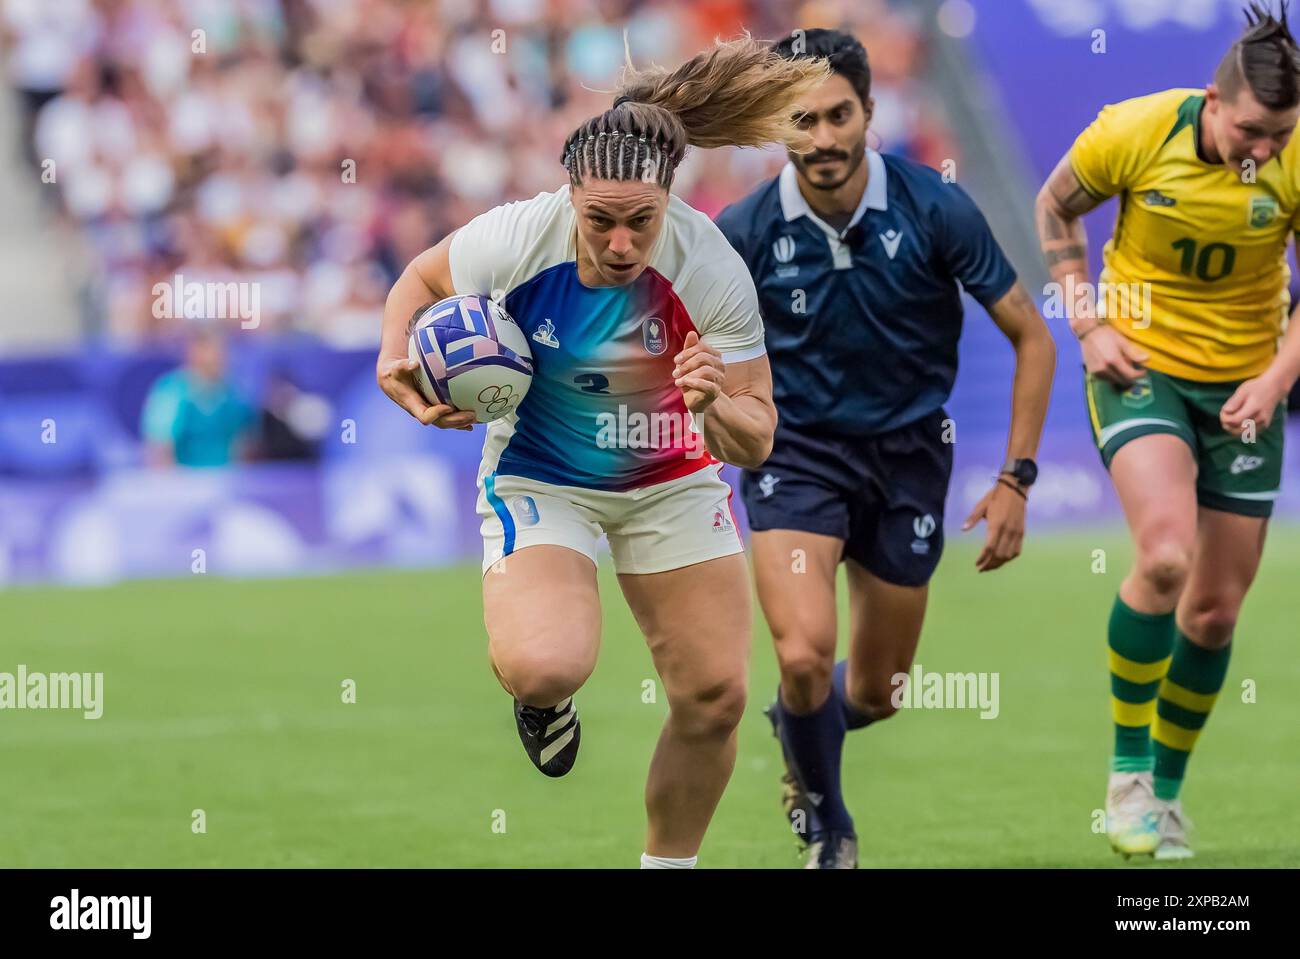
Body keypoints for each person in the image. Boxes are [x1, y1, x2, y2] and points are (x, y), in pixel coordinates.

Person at [377, 37, 828, 868]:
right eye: (601, 221)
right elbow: (420, 278)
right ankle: (541, 702)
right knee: (546, 666)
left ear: (668, 201)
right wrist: (390, 358)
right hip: (545, 474)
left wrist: (714, 401)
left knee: (716, 697)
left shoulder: (711, 268)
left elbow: (758, 436)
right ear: (570, 196)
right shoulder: (515, 237)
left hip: (670, 480)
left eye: (641, 223)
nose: (622, 243)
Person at [715, 29, 1056, 868]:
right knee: (802, 654)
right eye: (804, 120)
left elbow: (1033, 338)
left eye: (840, 115)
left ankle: (800, 721)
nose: (824, 138)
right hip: (794, 454)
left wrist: (1016, 477)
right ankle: (829, 826)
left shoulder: (936, 206)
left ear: (870, 110)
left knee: (877, 692)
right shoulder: (741, 232)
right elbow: (676, 340)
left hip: (910, 457)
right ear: (776, 125)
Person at [1035, 1, 1300, 860]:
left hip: (1247, 387)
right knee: (1164, 557)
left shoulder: (1295, 158)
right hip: (1139, 368)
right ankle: (1127, 775)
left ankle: (1168, 795)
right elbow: (1055, 207)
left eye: (1281, 134)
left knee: (1216, 612)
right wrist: (1088, 324)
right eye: (1254, 130)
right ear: (1214, 103)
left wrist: (1273, 379)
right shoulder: (1134, 131)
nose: (1264, 150)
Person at [140, 328, 254, 468]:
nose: (218, 356)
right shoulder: (170, 393)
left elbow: (244, 447)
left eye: (222, 350)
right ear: (194, 352)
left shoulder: (234, 393)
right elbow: (159, 450)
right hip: (184, 483)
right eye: (210, 349)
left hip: (227, 482)